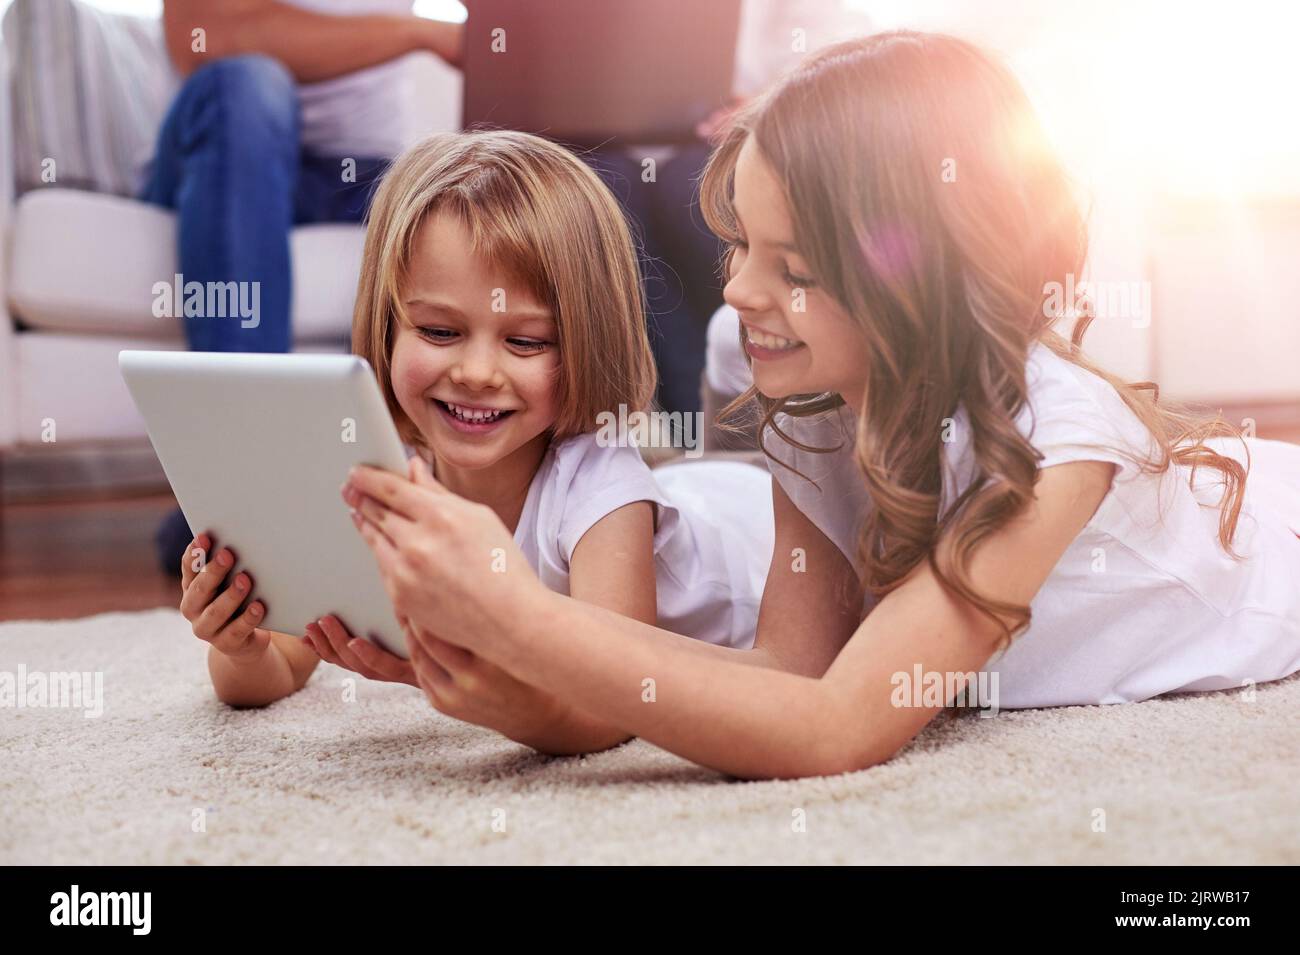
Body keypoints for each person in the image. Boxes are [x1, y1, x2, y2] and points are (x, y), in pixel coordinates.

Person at [342, 32, 1300, 780]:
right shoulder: (812, 407)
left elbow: (840, 726)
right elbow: (790, 679)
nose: (743, 292)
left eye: (792, 268)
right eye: (741, 247)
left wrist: (518, 619)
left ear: (914, 279)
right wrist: (521, 675)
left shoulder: (1057, 444)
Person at [174, 131, 772, 756]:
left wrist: (489, 702)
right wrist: (239, 645)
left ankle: (740, 366)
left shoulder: (602, 490)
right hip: (691, 487)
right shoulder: (383, 478)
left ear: (586, 344)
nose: (477, 373)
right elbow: (283, 664)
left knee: (757, 435)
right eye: (438, 330)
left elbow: (614, 708)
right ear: (386, 323)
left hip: (751, 532)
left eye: (525, 342)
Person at [145, 0, 462, 574]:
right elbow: (206, 36)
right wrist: (420, 31)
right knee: (246, 84)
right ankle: (236, 488)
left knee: (442, 184)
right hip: (224, 154)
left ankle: (371, 490)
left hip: (363, 172)